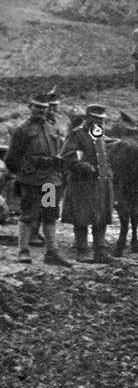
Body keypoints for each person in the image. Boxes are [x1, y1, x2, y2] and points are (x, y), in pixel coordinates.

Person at [4, 98, 72, 266]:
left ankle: (51, 252)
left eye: (44, 108)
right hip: (31, 181)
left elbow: (58, 152)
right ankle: (23, 251)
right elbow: (11, 158)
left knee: (49, 215)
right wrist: (24, 174)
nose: (41, 111)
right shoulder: (22, 130)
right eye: (37, 107)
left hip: (49, 182)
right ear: (30, 107)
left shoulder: (52, 128)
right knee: (28, 214)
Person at [59, 103, 115, 263]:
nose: (99, 122)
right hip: (81, 182)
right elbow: (66, 157)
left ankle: (100, 250)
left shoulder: (99, 134)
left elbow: (104, 154)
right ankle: (82, 250)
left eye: (101, 119)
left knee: (101, 215)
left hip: (100, 182)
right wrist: (84, 166)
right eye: (96, 119)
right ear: (87, 118)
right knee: (81, 216)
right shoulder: (76, 135)